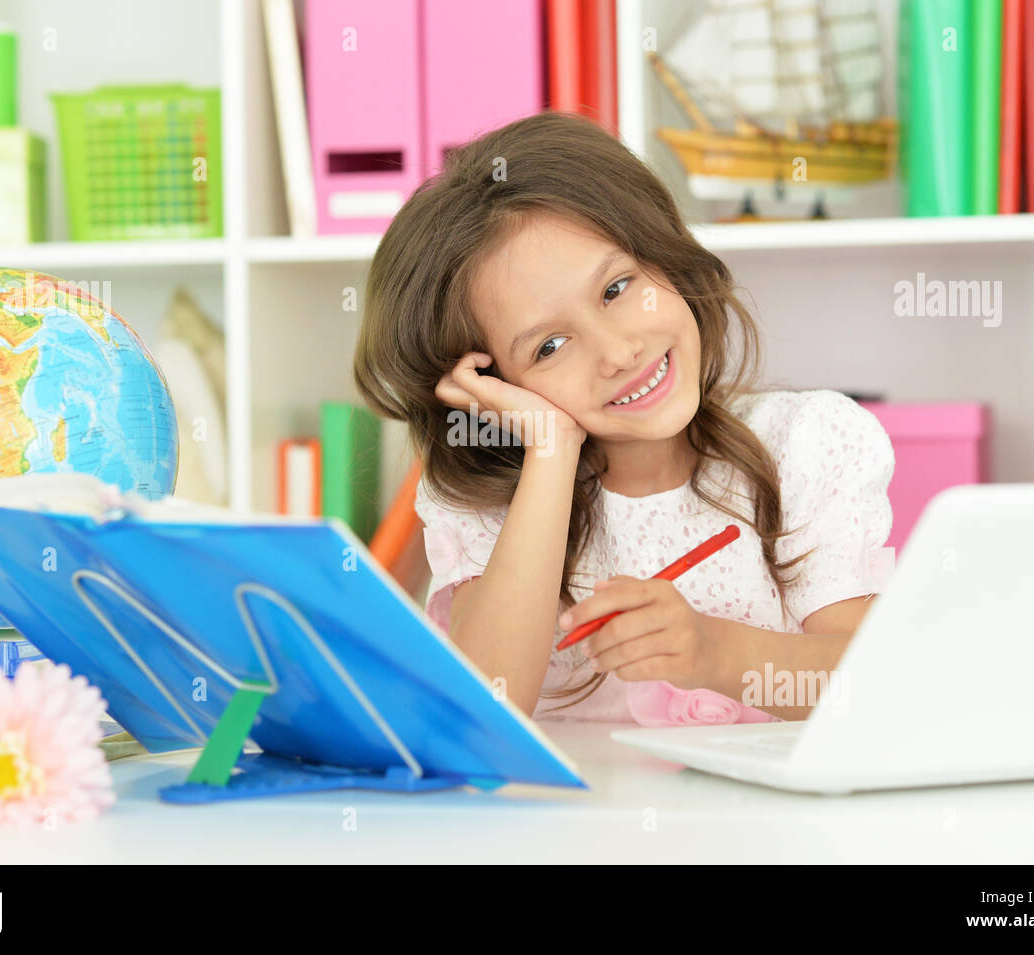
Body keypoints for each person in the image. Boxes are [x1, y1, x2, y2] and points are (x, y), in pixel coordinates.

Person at [354, 112, 894, 724]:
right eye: (549, 348)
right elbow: (487, 710)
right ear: (494, 385)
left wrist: (714, 652)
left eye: (615, 289)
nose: (618, 354)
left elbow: (871, 684)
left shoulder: (801, 447)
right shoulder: (489, 501)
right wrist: (551, 452)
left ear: (665, 258)